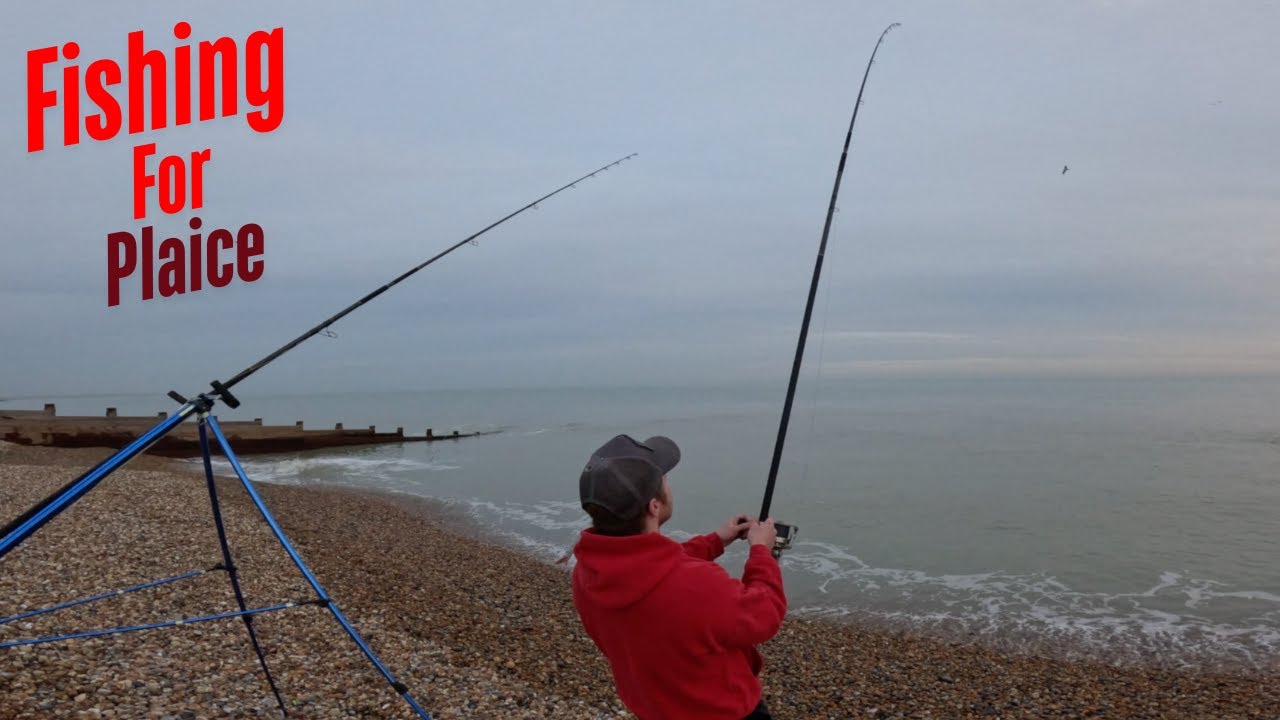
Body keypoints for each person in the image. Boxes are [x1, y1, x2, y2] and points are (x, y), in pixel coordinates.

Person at [570, 433, 787, 720]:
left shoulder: (586, 574)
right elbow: (765, 614)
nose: (668, 484)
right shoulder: (699, 585)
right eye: (664, 479)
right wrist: (761, 551)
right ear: (654, 506)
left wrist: (716, 540)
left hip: (654, 708)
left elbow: (649, 566)